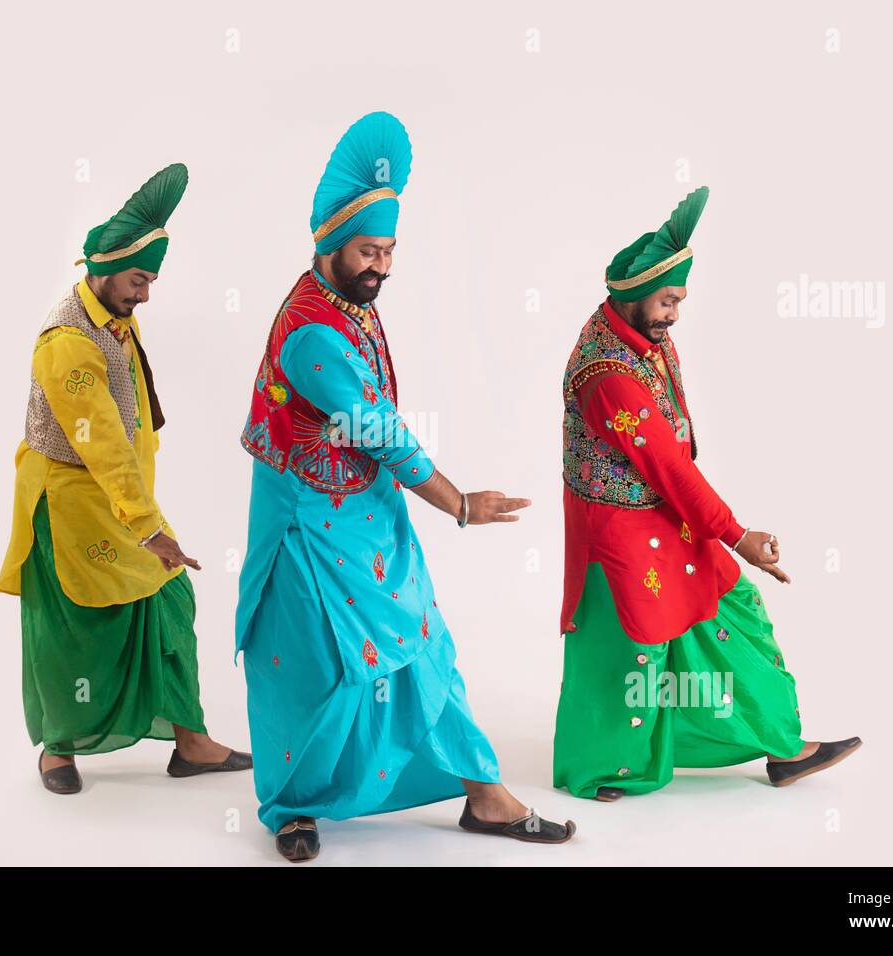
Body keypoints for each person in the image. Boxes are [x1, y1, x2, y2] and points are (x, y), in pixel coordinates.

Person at [236, 112, 575, 861]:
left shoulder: (352, 301)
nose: (379, 267)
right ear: (327, 247)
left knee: (423, 645)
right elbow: (381, 431)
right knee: (314, 661)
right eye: (366, 251)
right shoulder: (313, 332)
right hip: (304, 525)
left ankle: (482, 792)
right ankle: (293, 807)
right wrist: (459, 503)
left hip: (370, 515)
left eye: (388, 251)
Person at [554, 186, 861, 801]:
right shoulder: (610, 375)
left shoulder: (640, 333)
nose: (674, 314)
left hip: (667, 516)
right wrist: (738, 534)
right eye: (668, 301)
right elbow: (668, 463)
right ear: (636, 296)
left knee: (729, 611)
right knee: (631, 648)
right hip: (617, 529)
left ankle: (781, 744)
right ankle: (598, 767)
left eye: (679, 301)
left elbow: (672, 459)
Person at [0, 164, 250, 795]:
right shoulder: (67, 341)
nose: (145, 294)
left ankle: (189, 741)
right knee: (69, 629)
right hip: (70, 505)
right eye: (140, 279)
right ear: (103, 268)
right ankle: (58, 749)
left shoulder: (112, 315)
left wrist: (144, 515)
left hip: (119, 498)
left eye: (151, 281)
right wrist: (149, 527)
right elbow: (102, 444)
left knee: (168, 600)